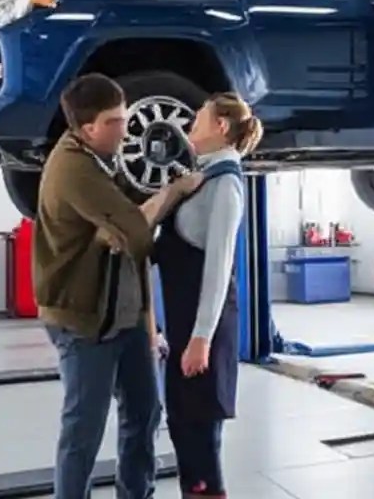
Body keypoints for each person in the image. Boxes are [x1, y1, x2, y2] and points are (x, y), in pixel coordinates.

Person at [33, 73, 202, 499]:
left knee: (144, 413)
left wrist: (150, 327)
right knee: (83, 431)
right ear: (87, 129)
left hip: (123, 315)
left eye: (126, 116)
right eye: (114, 121)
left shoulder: (103, 156)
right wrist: (175, 190)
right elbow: (139, 235)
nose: (127, 128)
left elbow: (130, 241)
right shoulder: (73, 167)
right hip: (85, 321)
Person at [151, 92, 264, 499]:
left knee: (200, 439)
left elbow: (219, 267)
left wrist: (201, 338)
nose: (188, 128)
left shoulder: (225, 186)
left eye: (196, 120)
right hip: (185, 327)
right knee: (184, 428)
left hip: (204, 332)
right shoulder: (201, 180)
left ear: (221, 127)